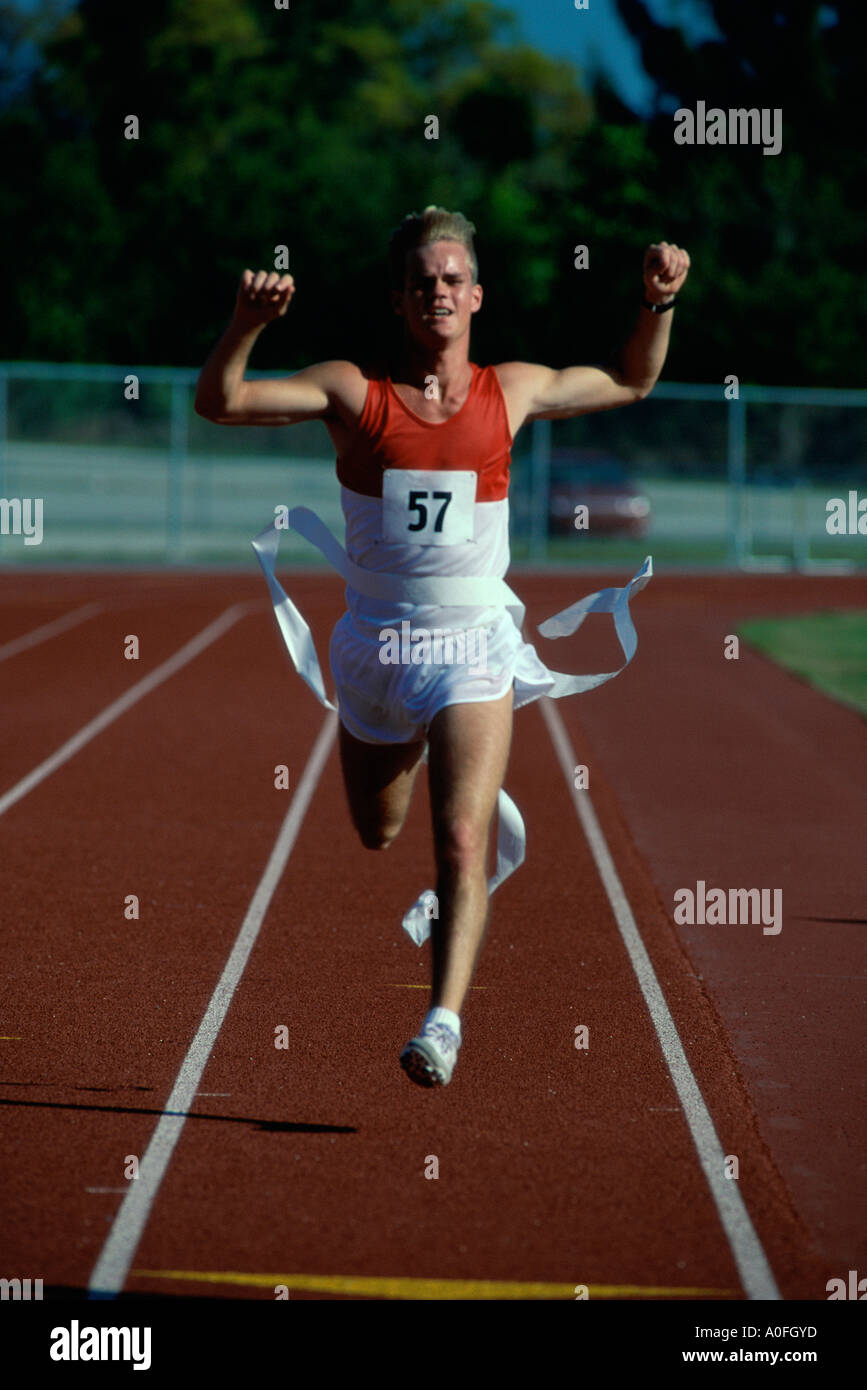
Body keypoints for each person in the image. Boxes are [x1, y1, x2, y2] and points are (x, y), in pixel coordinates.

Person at [195, 207, 690, 1088]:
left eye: (454, 278)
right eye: (423, 280)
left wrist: (656, 304)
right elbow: (222, 402)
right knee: (377, 831)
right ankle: (420, 746)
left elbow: (629, 381)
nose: (439, 292)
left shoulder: (515, 389)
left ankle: (443, 1021)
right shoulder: (353, 391)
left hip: (472, 647)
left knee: (462, 839)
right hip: (376, 653)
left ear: (477, 296)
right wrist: (246, 325)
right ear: (400, 300)